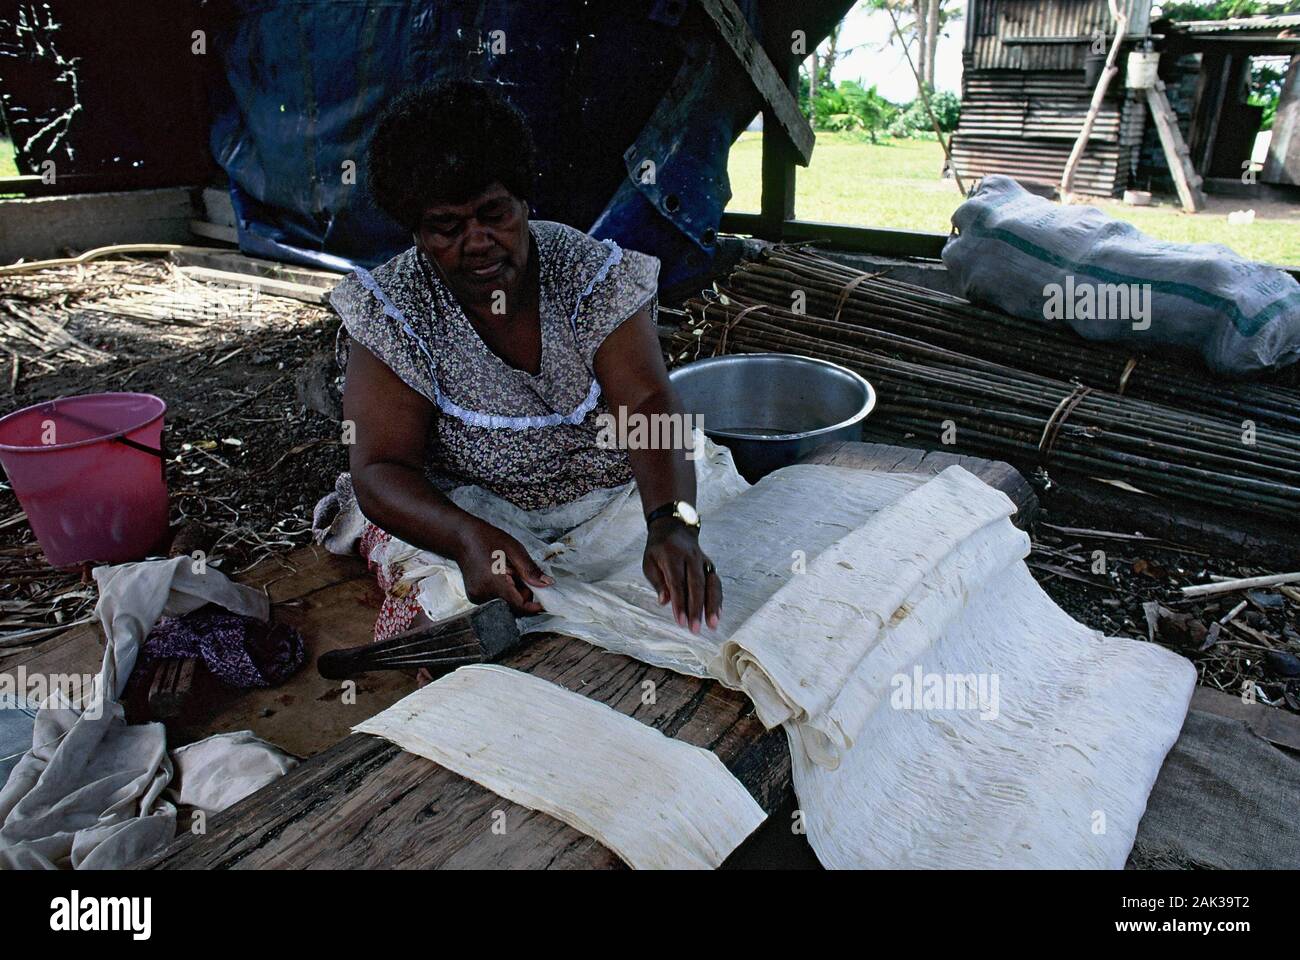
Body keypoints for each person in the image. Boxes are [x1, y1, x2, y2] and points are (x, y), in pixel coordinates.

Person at [325, 79, 722, 644]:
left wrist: (671, 521)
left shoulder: (585, 274)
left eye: (494, 213)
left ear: (524, 201)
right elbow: (381, 467)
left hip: (614, 499)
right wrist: (465, 538)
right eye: (448, 227)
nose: (479, 240)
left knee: (693, 559)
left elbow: (649, 405)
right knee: (456, 611)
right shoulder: (395, 311)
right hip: (473, 510)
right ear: (414, 230)